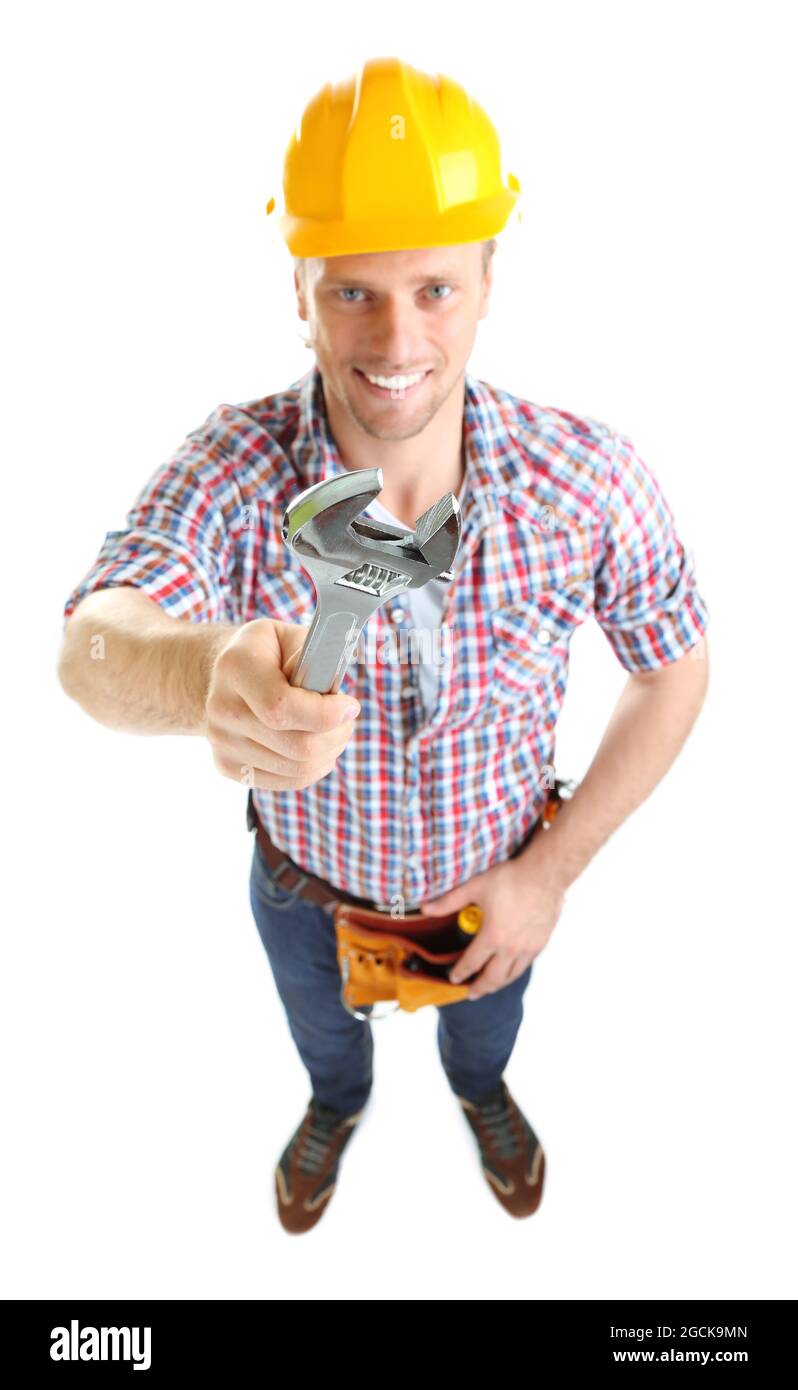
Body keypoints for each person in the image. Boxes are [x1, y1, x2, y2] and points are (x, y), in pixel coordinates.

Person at [57, 56, 711, 1235]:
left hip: (499, 890)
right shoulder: (237, 467)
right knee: (323, 1043)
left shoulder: (589, 480)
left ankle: (482, 1095)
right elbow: (94, 642)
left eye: (434, 289)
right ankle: (333, 1106)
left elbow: (676, 664)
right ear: (298, 288)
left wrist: (544, 878)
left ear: (488, 279)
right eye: (352, 291)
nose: (397, 335)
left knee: (486, 1041)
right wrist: (199, 671)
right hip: (303, 894)